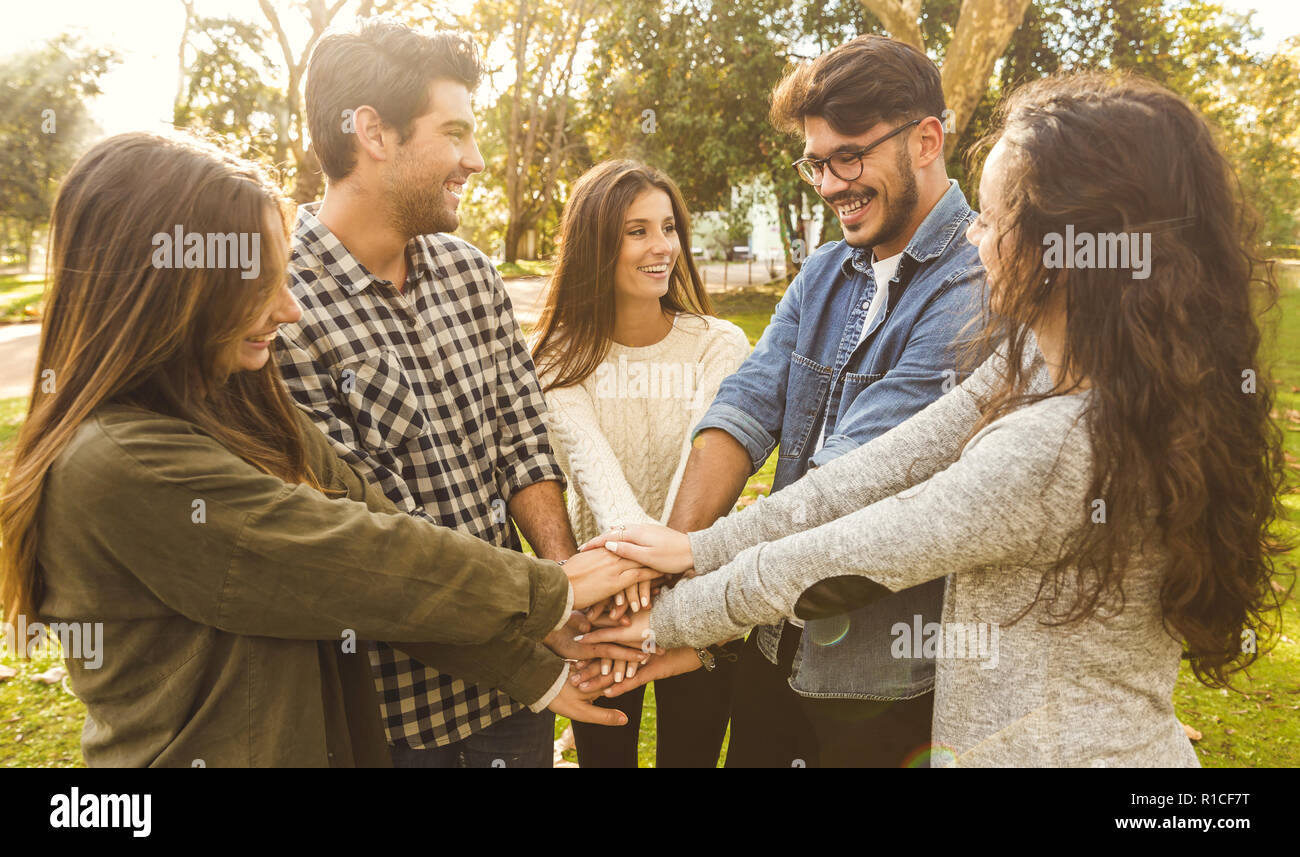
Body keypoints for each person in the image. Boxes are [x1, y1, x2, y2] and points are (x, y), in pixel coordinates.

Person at [576, 72, 1290, 767]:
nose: (976, 237)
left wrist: (667, 620)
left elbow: (856, 546)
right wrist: (696, 551)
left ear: (1062, 250)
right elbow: (874, 472)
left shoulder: (1054, 443)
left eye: (993, 217)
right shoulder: (1044, 366)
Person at [0, 132, 655, 767]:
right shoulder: (121, 462)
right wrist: (555, 586)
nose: (288, 310)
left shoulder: (235, 400)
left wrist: (531, 670)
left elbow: (381, 549)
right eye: (259, 282)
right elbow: (354, 560)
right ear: (173, 284)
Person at [578, 34, 988, 768]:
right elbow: (748, 404)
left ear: (927, 140)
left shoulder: (974, 285)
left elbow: (849, 486)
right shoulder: (830, 264)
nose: (829, 184)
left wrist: (681, 587)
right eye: (816, 162)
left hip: (880, 676)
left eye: (849, 157)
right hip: (773, 643)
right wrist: (663, 560)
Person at [275, 19, 644, 768]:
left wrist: (562, 588)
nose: (474, 159)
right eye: (455, 133)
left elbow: (522, 440)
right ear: (373, 133)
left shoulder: (469, 273)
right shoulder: (279, 312)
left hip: (518, 698)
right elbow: (365, 543)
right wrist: (542, 612)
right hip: (394, 714)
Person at [530, 160, 751, 767]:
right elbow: (600, 481)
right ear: (595, 243)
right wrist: (631, 587)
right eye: (636, 231)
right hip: (602, 611)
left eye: (669, 227)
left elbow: (701, 461)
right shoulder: (553, 359)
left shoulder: (718, 343)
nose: (662, 248)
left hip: (699, 601)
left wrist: (659, 582)